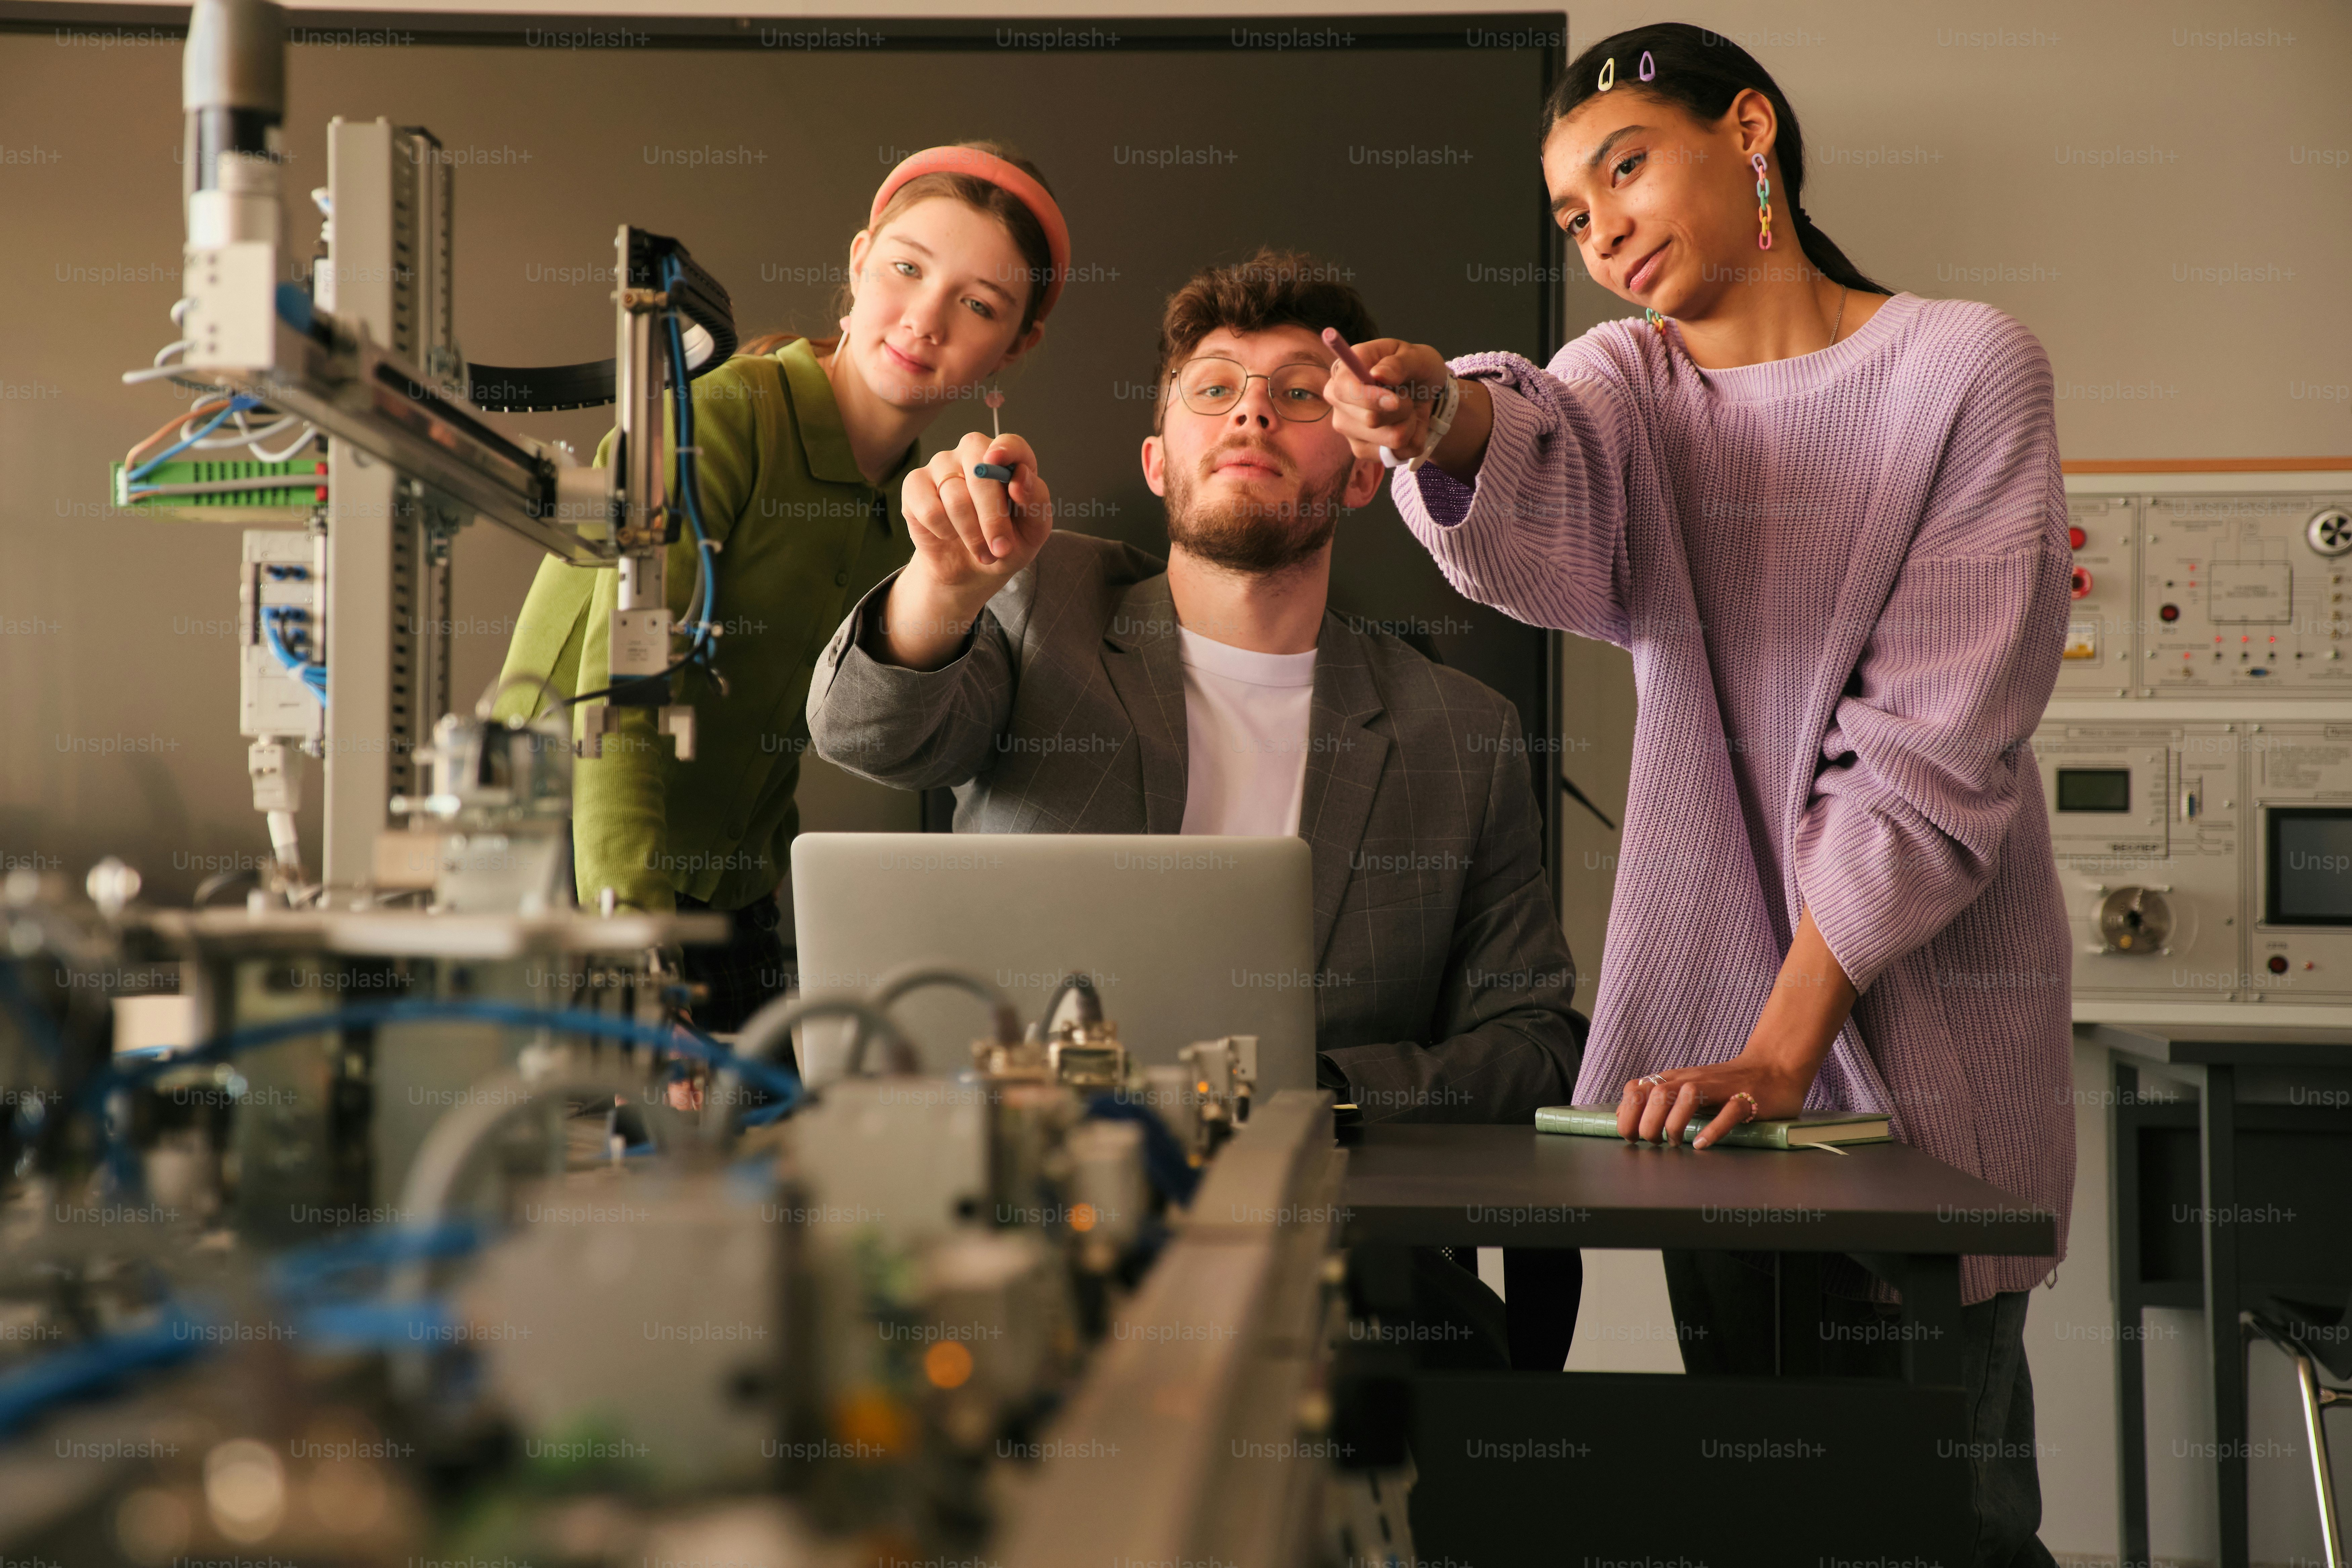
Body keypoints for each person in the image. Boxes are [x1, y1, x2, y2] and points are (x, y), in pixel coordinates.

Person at [1324, 22, 2071, 1565]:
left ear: (1748, 133)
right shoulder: (1627, 383)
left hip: (1910, 1020)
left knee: (1946, 1514)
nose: (1600, 229)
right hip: (1710, 1068)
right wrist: (1437, 420)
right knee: (1759, 1500)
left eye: (1624, 166)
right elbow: (1533, 462)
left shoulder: (1961, 364)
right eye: (1571, 216)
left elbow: (1932, 747)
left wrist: (1780, 1047)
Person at [806, 248, 1585, 1370]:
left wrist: (1316, 1093)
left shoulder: (1460, 733)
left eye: (1300, 393)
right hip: (1024, 1232)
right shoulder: (1040, 608)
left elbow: (1534, 1046)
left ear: (1365, 472)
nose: (1253, 411)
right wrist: (946, 583)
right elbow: (868, 734)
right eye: (1214, 387)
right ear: (1160, 462)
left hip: (1322, 1263)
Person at [491, 143, 1066, 1032]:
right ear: (857, 261)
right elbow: (621, 699)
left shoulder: (927, 513)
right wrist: (632, 955)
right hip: (571, 884)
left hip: (735, 905)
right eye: (907, 268)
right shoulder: (713, 417)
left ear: (1016, 347)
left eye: (978, 304)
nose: (924, 319)